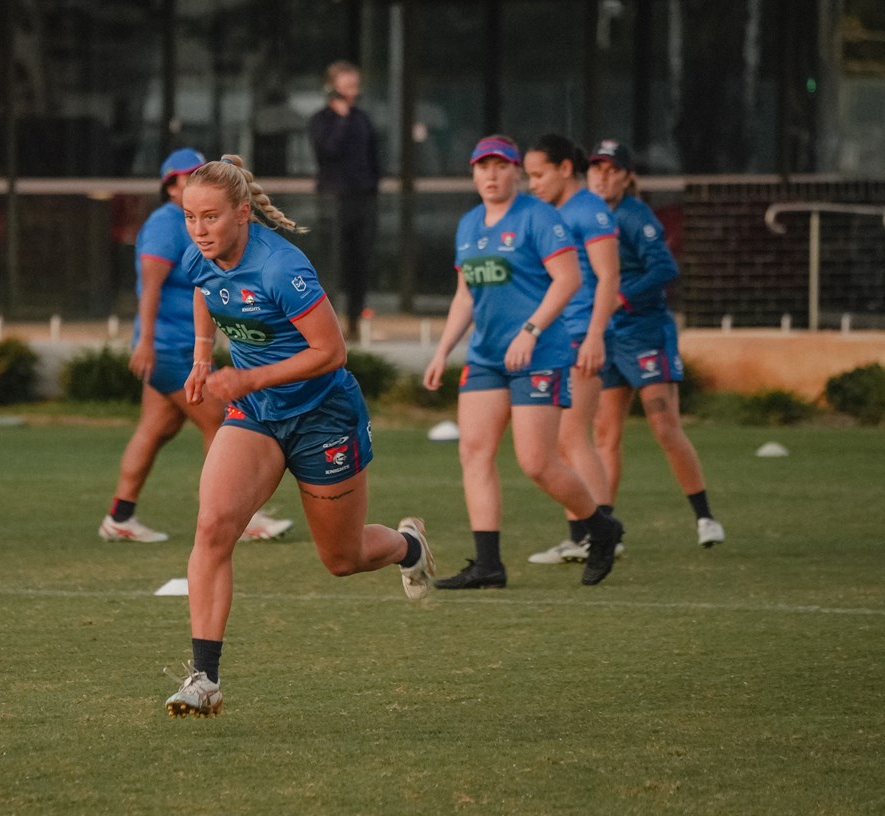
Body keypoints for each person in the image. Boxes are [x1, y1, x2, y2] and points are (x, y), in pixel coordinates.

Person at [163, 154, 434, 718]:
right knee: (213, 527)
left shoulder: (281, 268)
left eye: (211, 217)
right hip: (257, 414)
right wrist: (202, 356)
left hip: (323, 416)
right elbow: (203, 291)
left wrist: (248, 376)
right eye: (190, 217)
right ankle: (205, 680)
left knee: (342, 558)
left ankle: (409, 546)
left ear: (243, 213)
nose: (199, 230)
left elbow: (332, 352)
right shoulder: (199, 255)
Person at [423, 135, 625, 591]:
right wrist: (442, 350)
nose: (491, 175)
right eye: (483, 167)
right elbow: (465, 295)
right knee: (474, 452)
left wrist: (530, 330)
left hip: (540, 354)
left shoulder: (539, 216)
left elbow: (569, 279)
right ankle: (488, 565)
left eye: (501, 166)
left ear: (516, 172)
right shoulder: (469, 224)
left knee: (537, 462)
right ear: (473, 173)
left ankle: (601, 529)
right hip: (486, 357)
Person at [99, 149, 292, 544]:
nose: (196, 181)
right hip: (169, 348)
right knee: (220, 420)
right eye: (187, 176)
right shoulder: (164, 224)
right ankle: (236, 516)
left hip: (180, 346)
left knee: (156, 429)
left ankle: (120, 516)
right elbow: (150, 287)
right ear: (170, 186)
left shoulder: (195, 222)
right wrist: (146, 343)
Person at [586, 139, 726, 548]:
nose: (602, 177)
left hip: (645, 332)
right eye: (596, 168)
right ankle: (606, 533)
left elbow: (665, 267)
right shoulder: (587, 216)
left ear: (627, 177)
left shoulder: (634, 215)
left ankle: (705, 519)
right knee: (605, 436)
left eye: (612, 170)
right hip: (608, 335)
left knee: (664, 427)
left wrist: (622, 296)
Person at [522, 134, 623, 565]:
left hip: (584, 335)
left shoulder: (590, 210)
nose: (532, 184)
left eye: (538, 174)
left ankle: (602, 533)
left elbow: (609, 277)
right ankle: (586, 535)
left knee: (572, 437)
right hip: (562, 336)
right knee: (566, 442)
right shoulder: (554, 212)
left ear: (565, 168)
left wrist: (596, 334)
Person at [307, 60, 380, 340]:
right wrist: (340, 119)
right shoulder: (322, 120)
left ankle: (355, 320)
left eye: (355, 84)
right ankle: (330, 321)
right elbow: (326, 152)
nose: (353, 89)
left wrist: (373, 185)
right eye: (347, 84)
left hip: (362, 198)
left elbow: (372, 155)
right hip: (334, 200)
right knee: (334, 263)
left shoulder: (362, 118)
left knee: (359, 262)